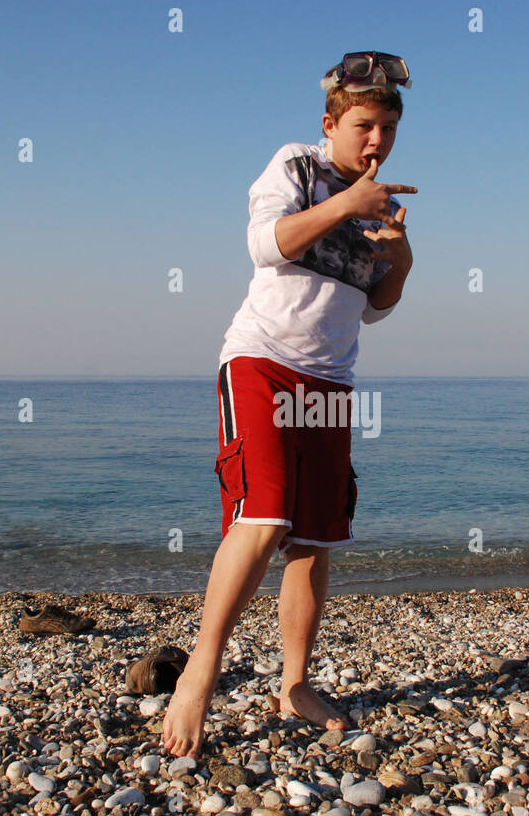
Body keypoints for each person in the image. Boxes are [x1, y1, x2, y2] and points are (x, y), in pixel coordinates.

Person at [162, 52, 418, 759]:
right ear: (331, 122)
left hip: (332, 379)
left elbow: (375, 309)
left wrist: (401, 256)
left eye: (388, 129)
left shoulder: (381, 200)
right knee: (265, 512)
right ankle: (199, 671)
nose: (376, 142)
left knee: (315, 537)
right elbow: (264, 245)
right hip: (261, 362)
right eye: (365, 125)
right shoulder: (296, 169)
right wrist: (344, 205)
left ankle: (296, 683)